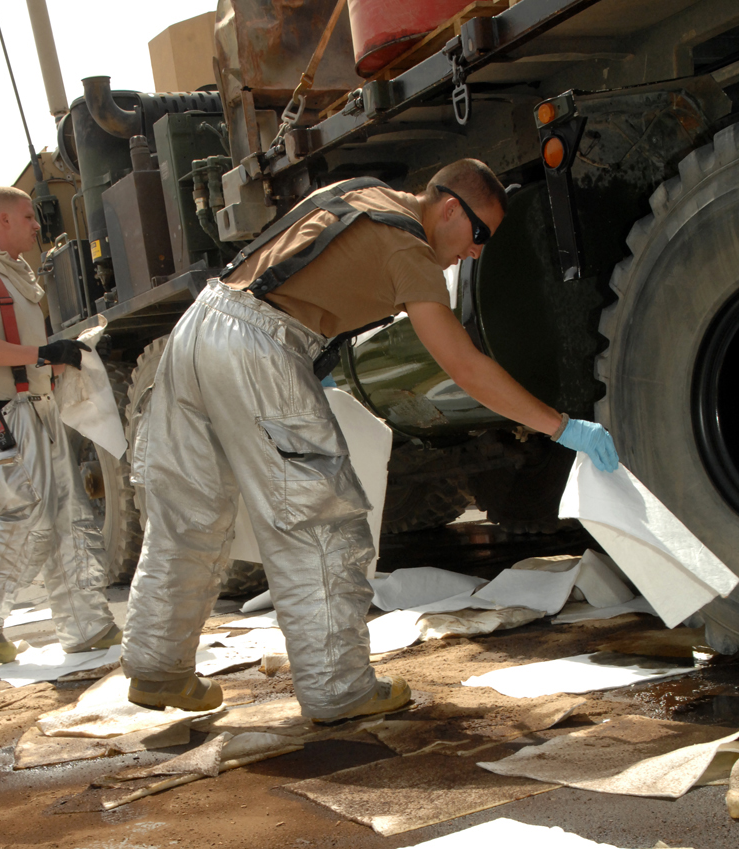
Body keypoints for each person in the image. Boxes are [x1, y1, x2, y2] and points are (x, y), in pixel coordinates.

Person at [121, 159, 617, 721]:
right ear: (450, 208)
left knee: (188, 513)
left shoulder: (363, 192)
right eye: (479, 235)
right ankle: (340, 689)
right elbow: (463, 365)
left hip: (197, 329)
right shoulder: (410, 249)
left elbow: (301, 269)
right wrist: (560, 425)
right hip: (258, 345)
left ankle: (157, 669)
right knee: (319, 524)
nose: (477, 252)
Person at [0, 186, 121, 663]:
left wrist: (62, 359)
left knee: (68, 516)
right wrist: (42, 354)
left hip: (35, 412)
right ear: (1, 221)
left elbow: (21, 356)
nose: (35, 225)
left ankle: (86, 626)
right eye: (27, 217)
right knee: (25, 515)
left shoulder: (18, 278)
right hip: (5, 418)